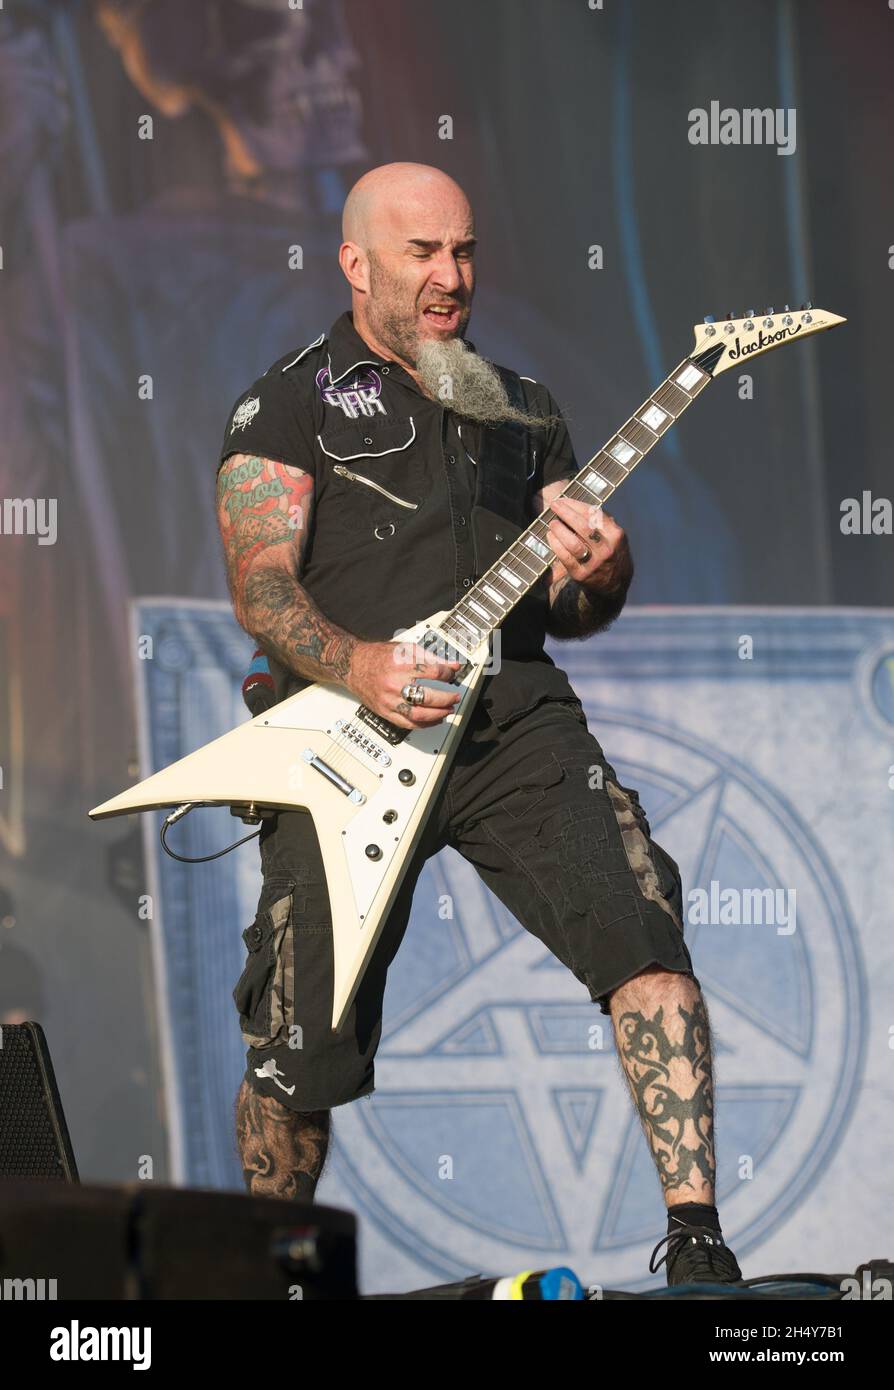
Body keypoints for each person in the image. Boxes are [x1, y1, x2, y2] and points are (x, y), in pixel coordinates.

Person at [216, 162, 742, 1286]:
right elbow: (260, 586)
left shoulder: (524, 408)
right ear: (356, 264)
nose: (451, 277)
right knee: (298, 1046)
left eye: (464, 252)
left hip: (513, 722)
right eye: (423, 254)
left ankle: (697, 1245)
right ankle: (264, 1277)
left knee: (644, 939)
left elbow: (575, 608)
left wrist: (604, 567)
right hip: (347, 740)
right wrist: (358, 664)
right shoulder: (288, 402)